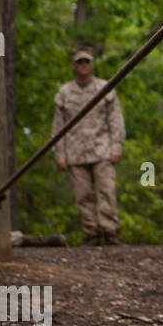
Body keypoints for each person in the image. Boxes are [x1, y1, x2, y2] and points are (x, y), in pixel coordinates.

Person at [53, 47, 126, 245]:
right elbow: (58, 126)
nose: (83, 65)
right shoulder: (64, 93)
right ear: (73, 65)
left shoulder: (105, 88)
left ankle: (111, 232)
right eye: (80, 62)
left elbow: (115, 120)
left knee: (106, 191)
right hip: (75, 151)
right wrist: (59, 154)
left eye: (87, 62)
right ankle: (91, 233)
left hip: (102, 149)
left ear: (92, 64)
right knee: (83, 195)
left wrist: (116, 146)